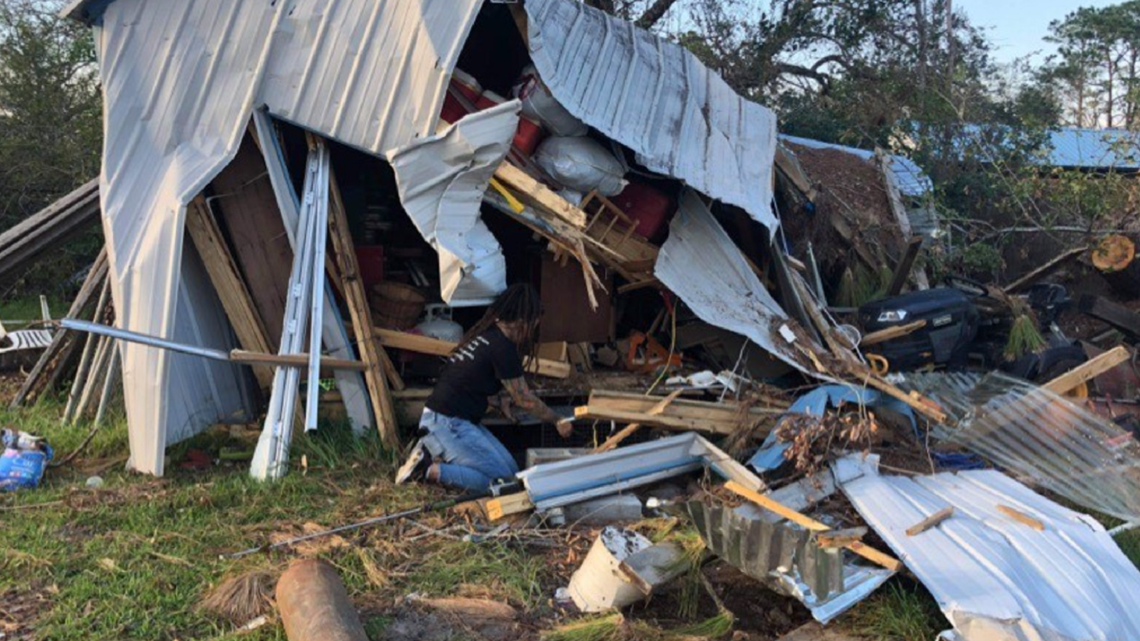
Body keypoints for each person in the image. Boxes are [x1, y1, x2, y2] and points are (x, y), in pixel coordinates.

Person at [395, 284, 572, 491]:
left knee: (511, 471)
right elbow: (524, 398)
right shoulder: (503, 348)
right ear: (521, 322)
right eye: (532, 326)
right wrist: (556, 419)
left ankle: (434, 456)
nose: (530, 333)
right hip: (449, 422)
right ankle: (426, 469)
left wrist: (500, 399)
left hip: (448, 418)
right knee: (503, 481)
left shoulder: (487, 335)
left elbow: (472, 381)